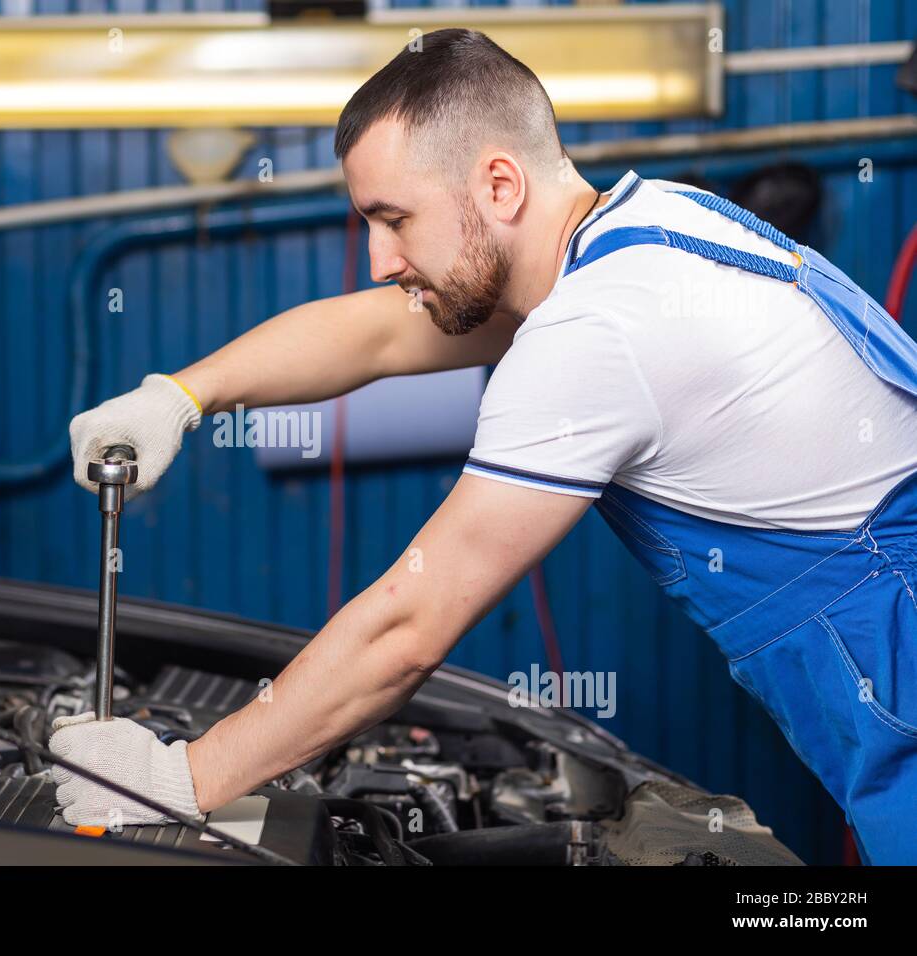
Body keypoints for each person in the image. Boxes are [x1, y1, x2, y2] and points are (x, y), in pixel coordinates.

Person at [52, 28, 917, 864]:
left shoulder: (598, 328)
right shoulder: (642, 229)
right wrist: (183, 394)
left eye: (395, 219)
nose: (380, 259)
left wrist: (178, 777)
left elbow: (407, 630)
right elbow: (378, 338)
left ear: (500, 185)